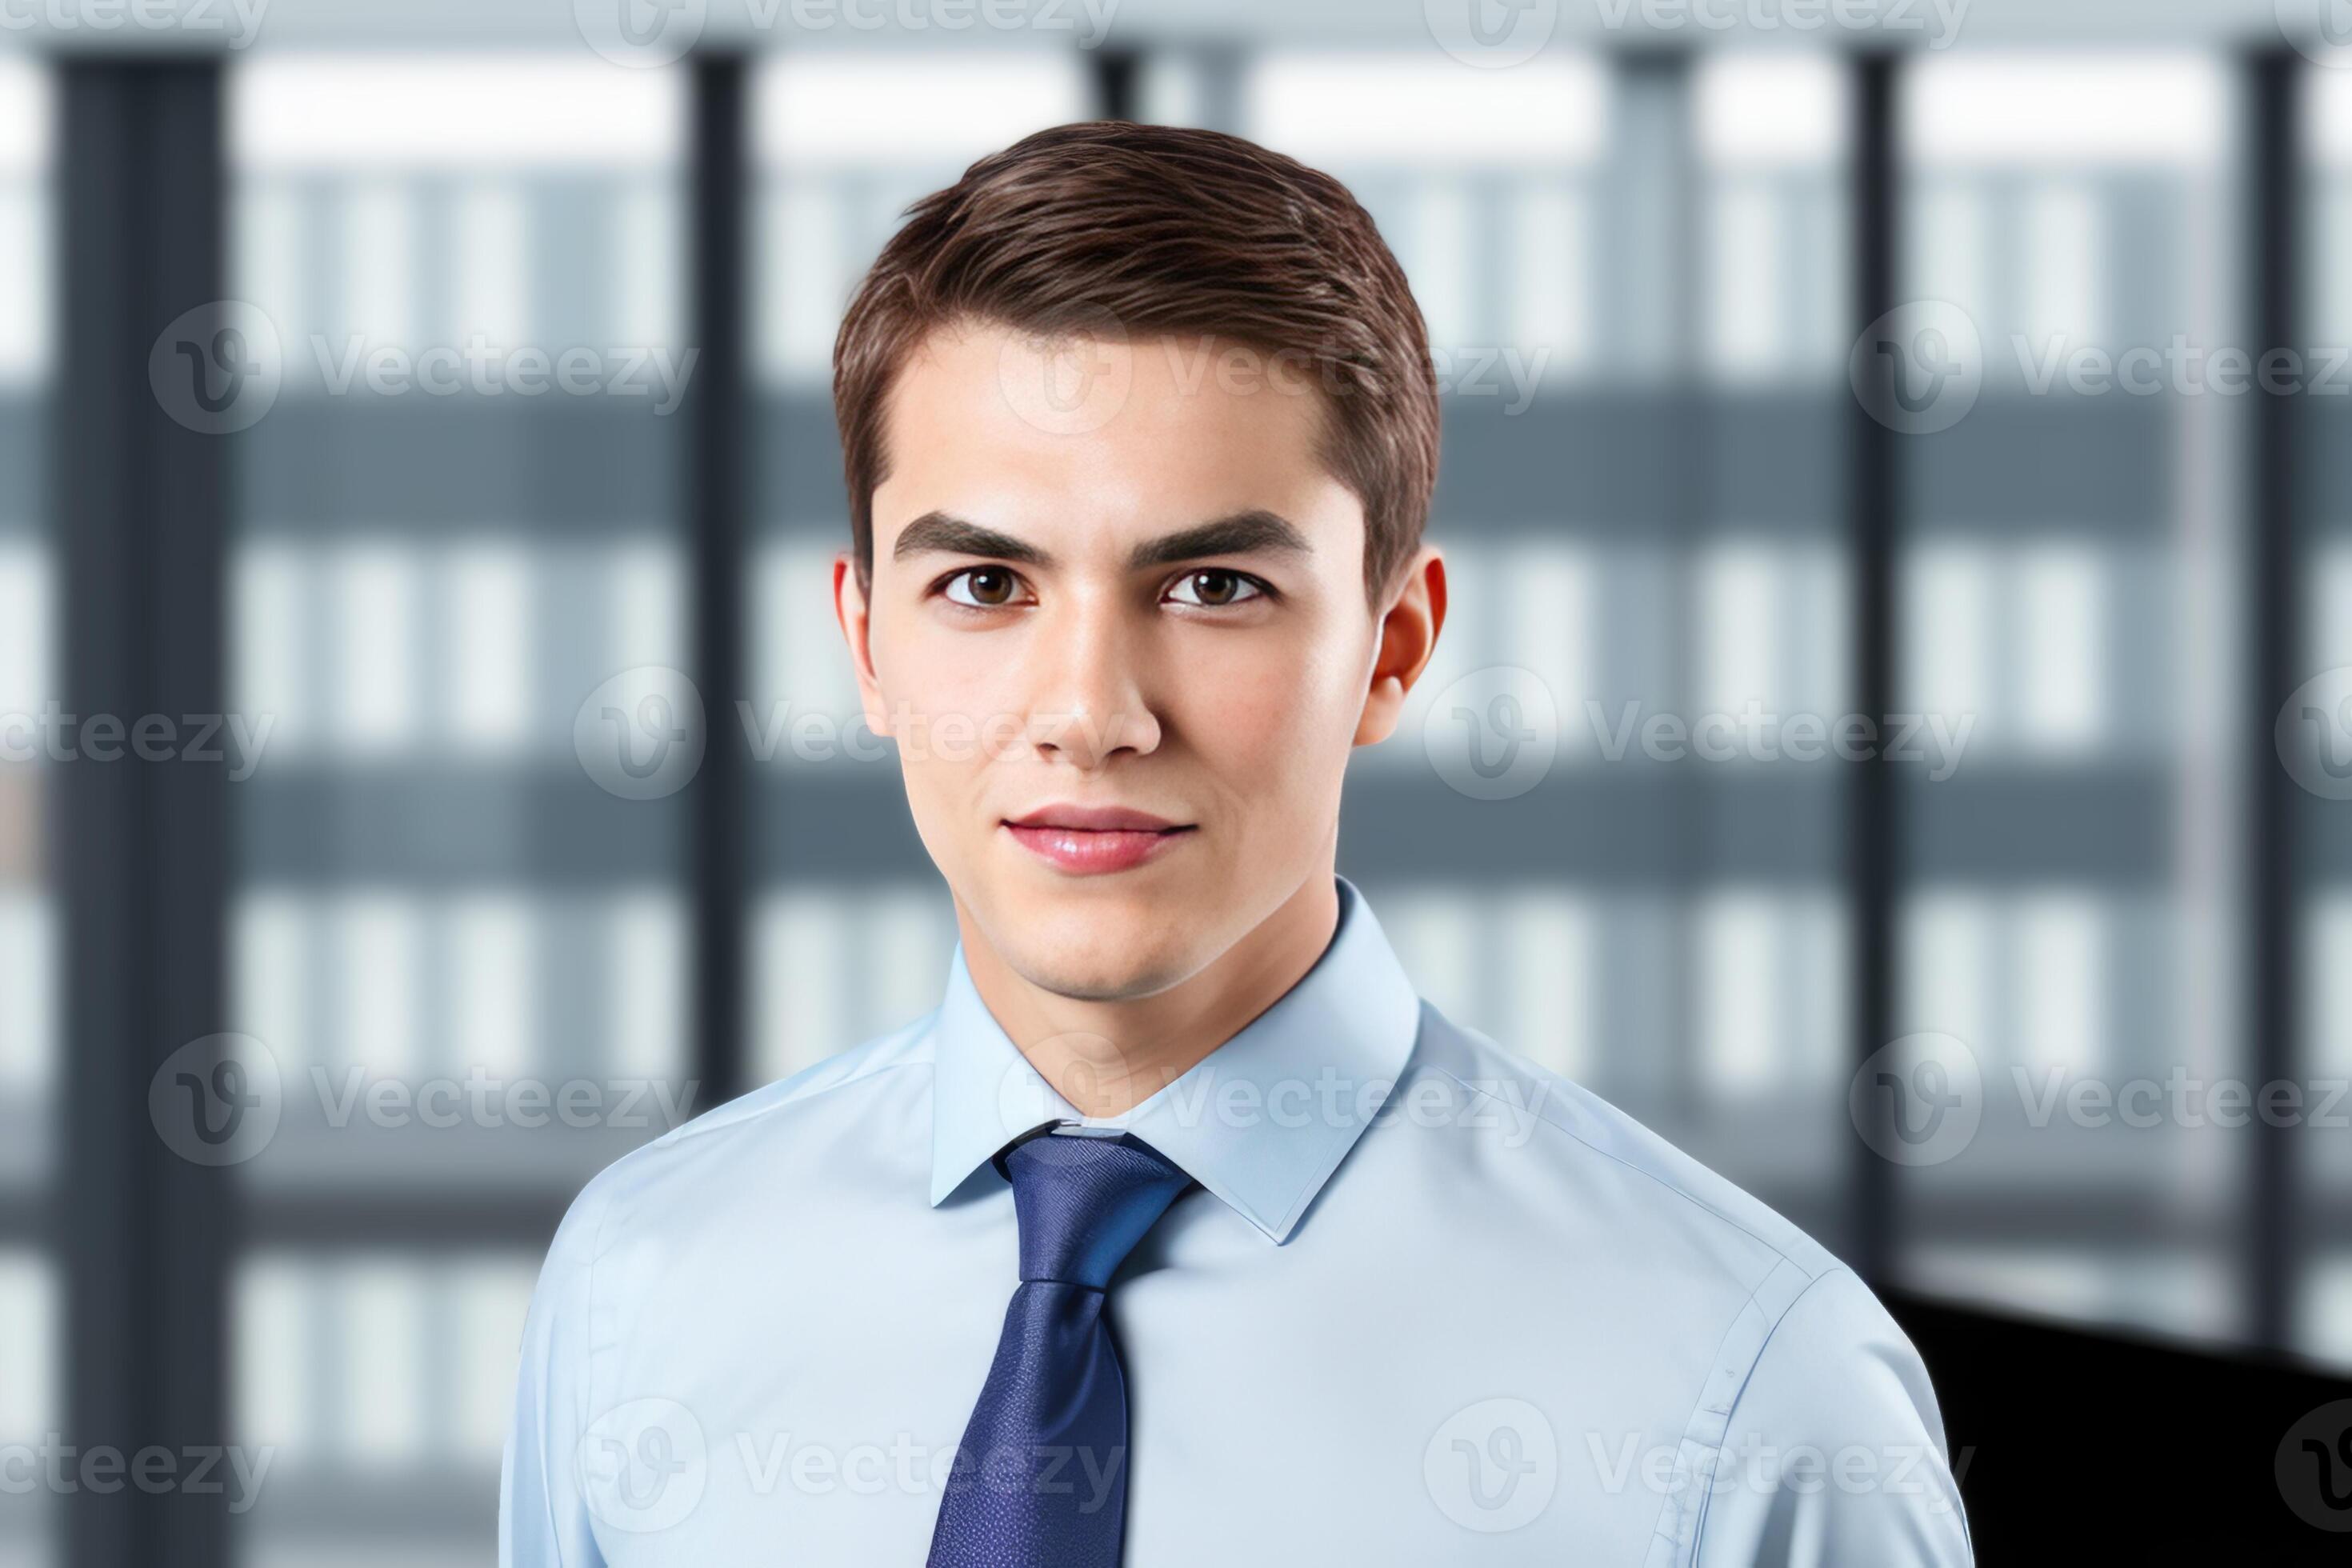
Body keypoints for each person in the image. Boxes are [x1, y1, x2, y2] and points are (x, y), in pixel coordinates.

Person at [501, 120, 1973, 1566]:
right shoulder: (644, 1281)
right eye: (983, 583)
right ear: (867, 644)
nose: (1090, 715)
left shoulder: (1752, 1394)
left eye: (1211, 586)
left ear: (1392, 650)